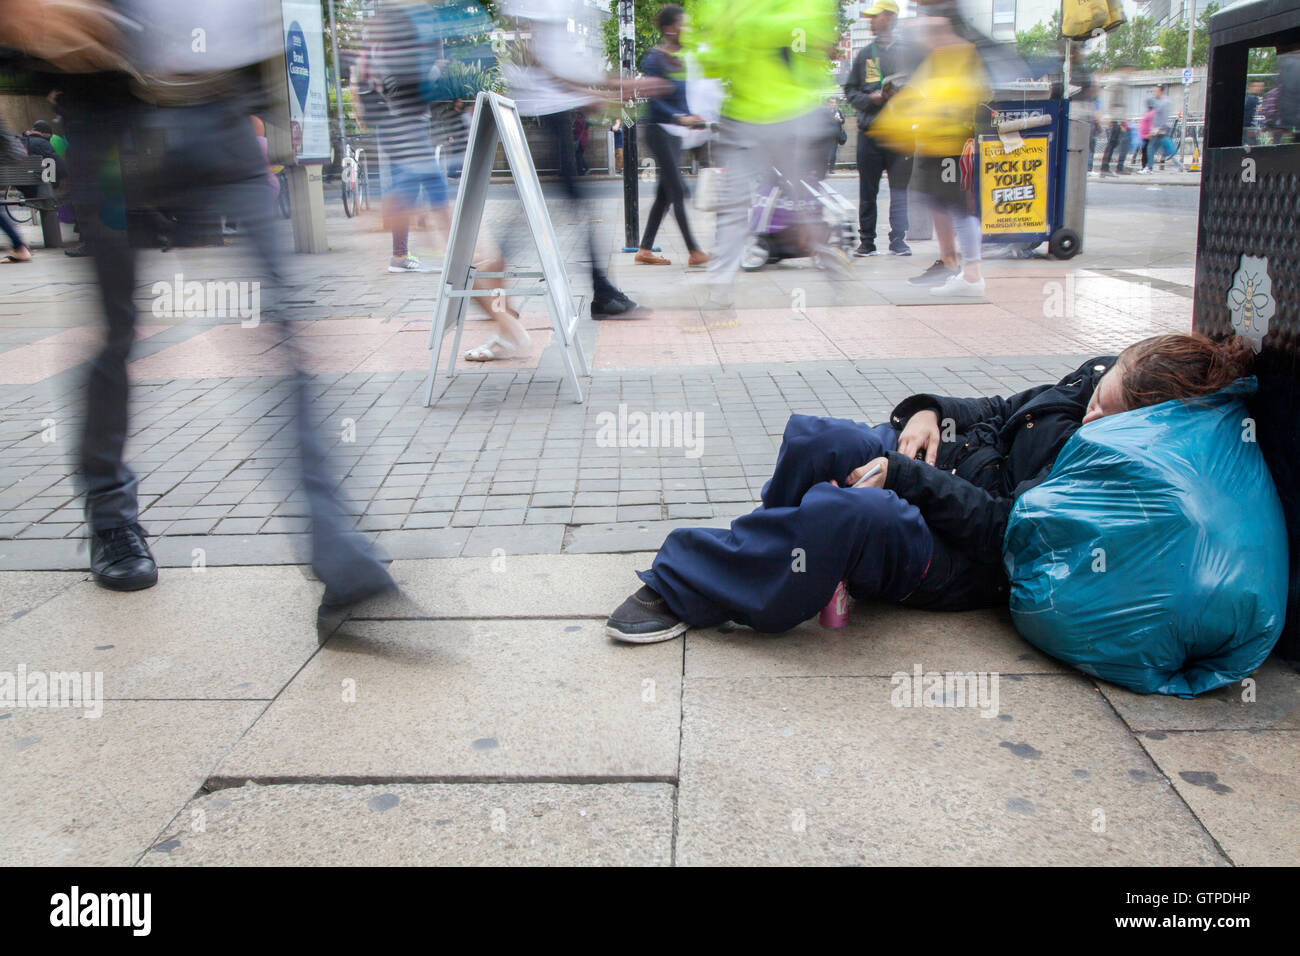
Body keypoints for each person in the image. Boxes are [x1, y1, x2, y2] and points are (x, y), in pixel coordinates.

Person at [0, 0, 400, 629]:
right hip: (110, 113)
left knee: (283, 324)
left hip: (221, 111)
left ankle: (339, 554)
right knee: (118, 329)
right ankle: (110, 516)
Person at [604, 333, 1256, 642]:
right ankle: (783, 559)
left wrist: (908, 477)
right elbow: (1002, 408)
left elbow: (1011, 529)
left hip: (957, 557)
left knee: (848, 511)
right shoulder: (1095, 382)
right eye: (1096, 396)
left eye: (1104, 415)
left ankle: (693, 587)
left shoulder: (1114, 469)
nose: (1090, 416)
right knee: (816, 437)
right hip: (938, 471)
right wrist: (927, 412)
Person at [499, 0, 669, 318]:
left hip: (554, 109)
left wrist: (613, 86)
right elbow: (541, 59)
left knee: (551, 207)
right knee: (556, 208)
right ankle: (601, 294)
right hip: (547, 111)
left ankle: (601, 292)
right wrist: (596, 93)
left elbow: (565, 61)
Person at [691, 0, 839, 308]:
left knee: (796, 198)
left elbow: (812, 35)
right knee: (736, 206)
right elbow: (713, 61)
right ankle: (719, 292)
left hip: (788, 113)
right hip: (749, 116)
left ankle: (833, 267)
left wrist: (744, 30)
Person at [353, 4, 452, 273]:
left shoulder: (377, 48)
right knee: (431, 183)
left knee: (409, 186)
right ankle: (456, 253)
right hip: (405, 122)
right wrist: (436, 70)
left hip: (395, 123)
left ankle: (401, 254)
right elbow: (406, 86)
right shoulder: (392, 50)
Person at [634, 4, 710, 268]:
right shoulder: (654, 58)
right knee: (679, 189)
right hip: (658, 130)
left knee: (664, 194)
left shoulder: (682, 58)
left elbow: (680, 98)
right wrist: (679, 117)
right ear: (669, 29)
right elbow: (655, 99)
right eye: (682, 24)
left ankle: (644, 249)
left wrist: (693, 117)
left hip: (675, 133)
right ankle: (694, 251)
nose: (686, 28)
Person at [843, 0, 913, 257]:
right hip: (870, 133)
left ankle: (898, 240)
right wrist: (869, 100)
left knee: (900, 190)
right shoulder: (864, 54)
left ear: (888, 18)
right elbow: (850, 90)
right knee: (868, 190)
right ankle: (867, 241)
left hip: (901, 133)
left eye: (875, 17)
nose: (871, 21)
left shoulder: (907, 53)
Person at [1244, 79, 1265, 145]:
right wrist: (1248, 128)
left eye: (1261, 86)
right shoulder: (1250, 99)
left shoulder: (1255, 99)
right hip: (1248, 129)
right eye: (1256, 86)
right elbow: (1247, 115)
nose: (1259, 88)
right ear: (1250, 87)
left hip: (1251, 129)